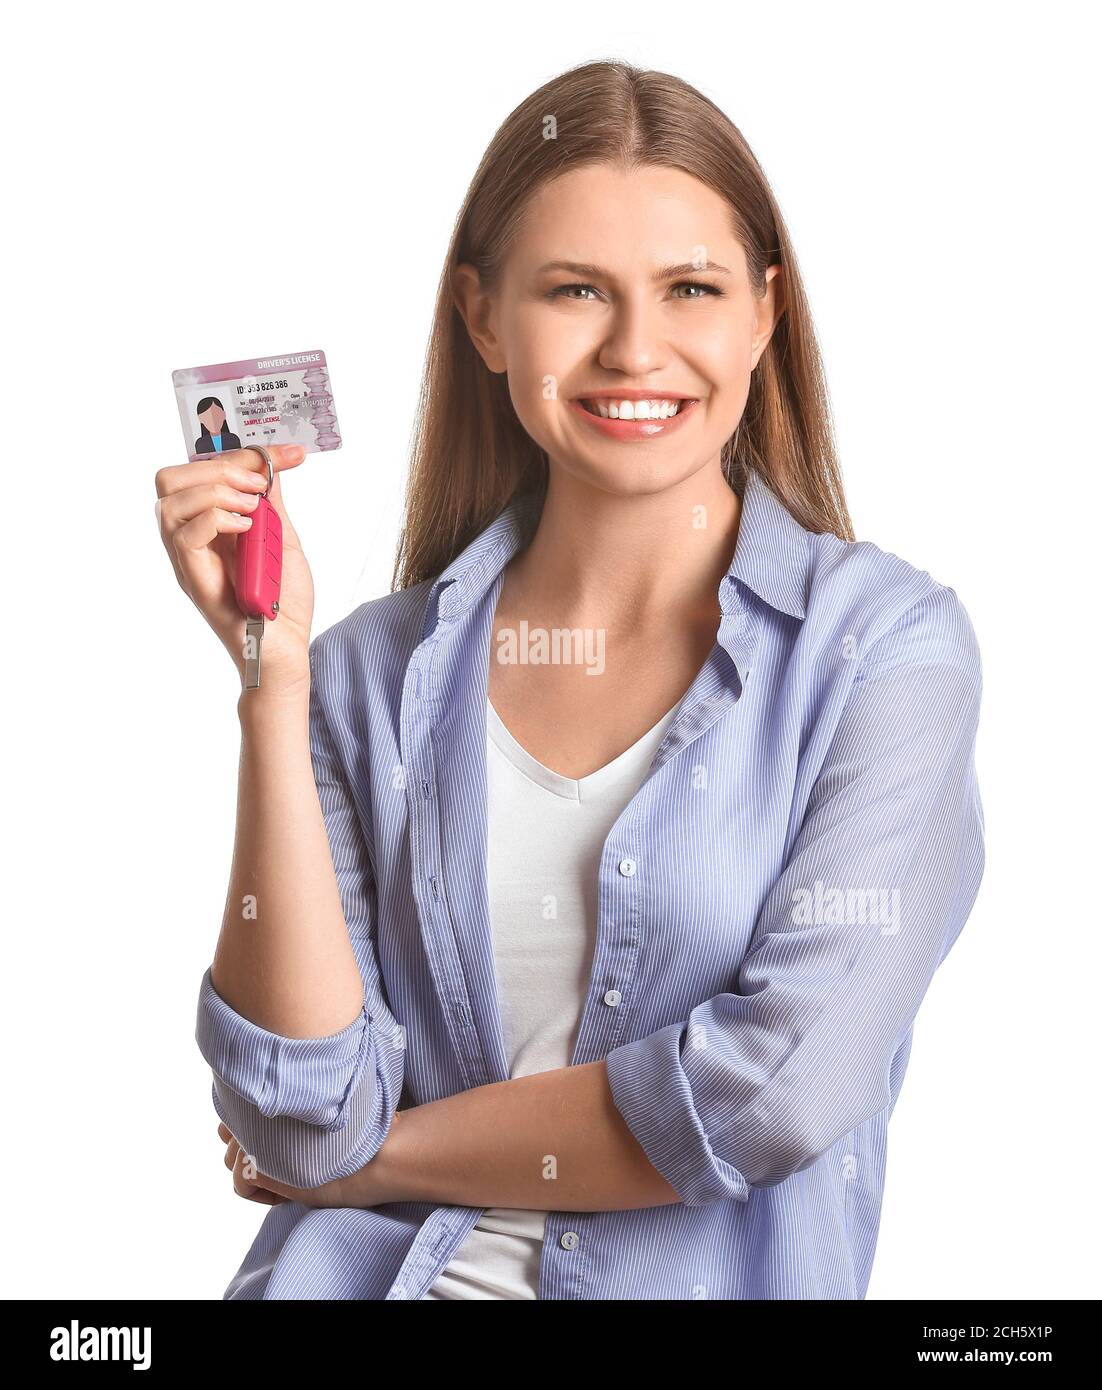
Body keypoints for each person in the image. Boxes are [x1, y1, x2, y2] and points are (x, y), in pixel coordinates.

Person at [154, 59, 984, 1300]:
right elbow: (297, 1113)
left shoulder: (883, 655)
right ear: (484, 319)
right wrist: (270, 684)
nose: (634, 349)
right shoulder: (363, 677)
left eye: (690, 288)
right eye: (575, 290)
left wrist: (370, 1163)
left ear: (764, 313)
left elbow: (770, 1093)